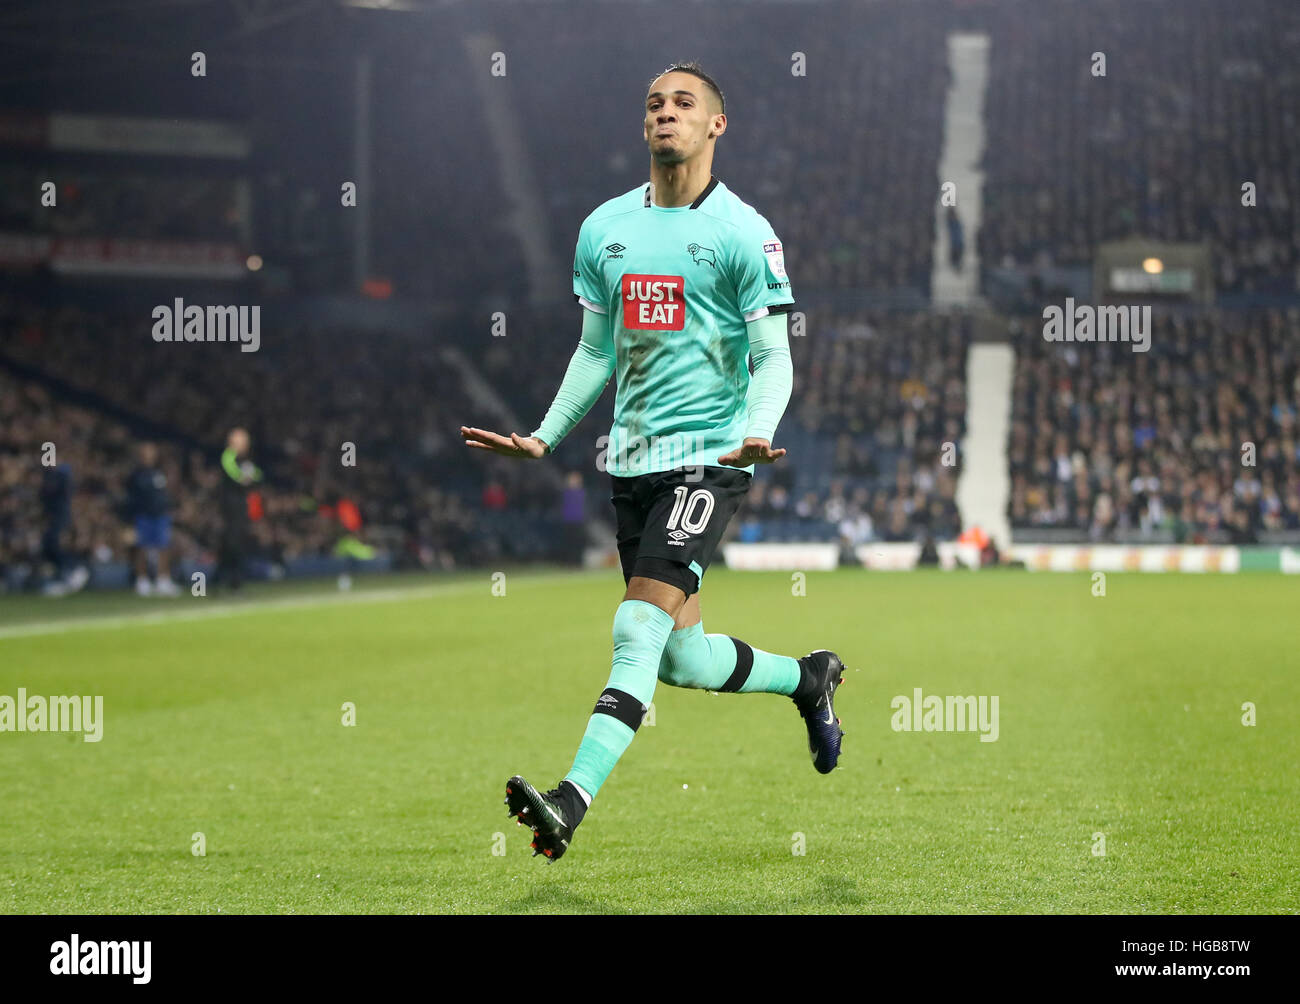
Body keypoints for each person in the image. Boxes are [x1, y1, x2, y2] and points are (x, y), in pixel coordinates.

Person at [461, 62, 847, 863]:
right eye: (653, 105)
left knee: (637, 624)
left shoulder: (743, 232)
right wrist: (544, 434)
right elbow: (596, 351)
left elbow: (774, 357)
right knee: (681, 658)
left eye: (683, 104)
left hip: (711, 458)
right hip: (631, 464)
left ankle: (569, 800)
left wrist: (755, 429)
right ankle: (808, 678)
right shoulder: (605, 229)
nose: (665, 114)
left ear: (716, 126)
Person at [126, 442, 178, 596]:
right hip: (143, 515)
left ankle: (163, 580)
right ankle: (142, 581)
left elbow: (165, 493)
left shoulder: (159, 472)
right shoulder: (136, 474)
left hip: (160, 515)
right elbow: (131, 497)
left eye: (151, 452)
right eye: (146, 452)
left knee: (164, 547)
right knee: (142, 548)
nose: (149, 455)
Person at [215, 428, 261, 591]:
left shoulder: (246, 460)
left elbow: (258, 475)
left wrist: (249, 477)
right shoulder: (229, 456)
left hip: (241, 504)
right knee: (231, 541)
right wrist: (245, 478)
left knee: (237, 541)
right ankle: (226, 578)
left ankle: (229, 579)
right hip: (230, 504)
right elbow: (234, 475)